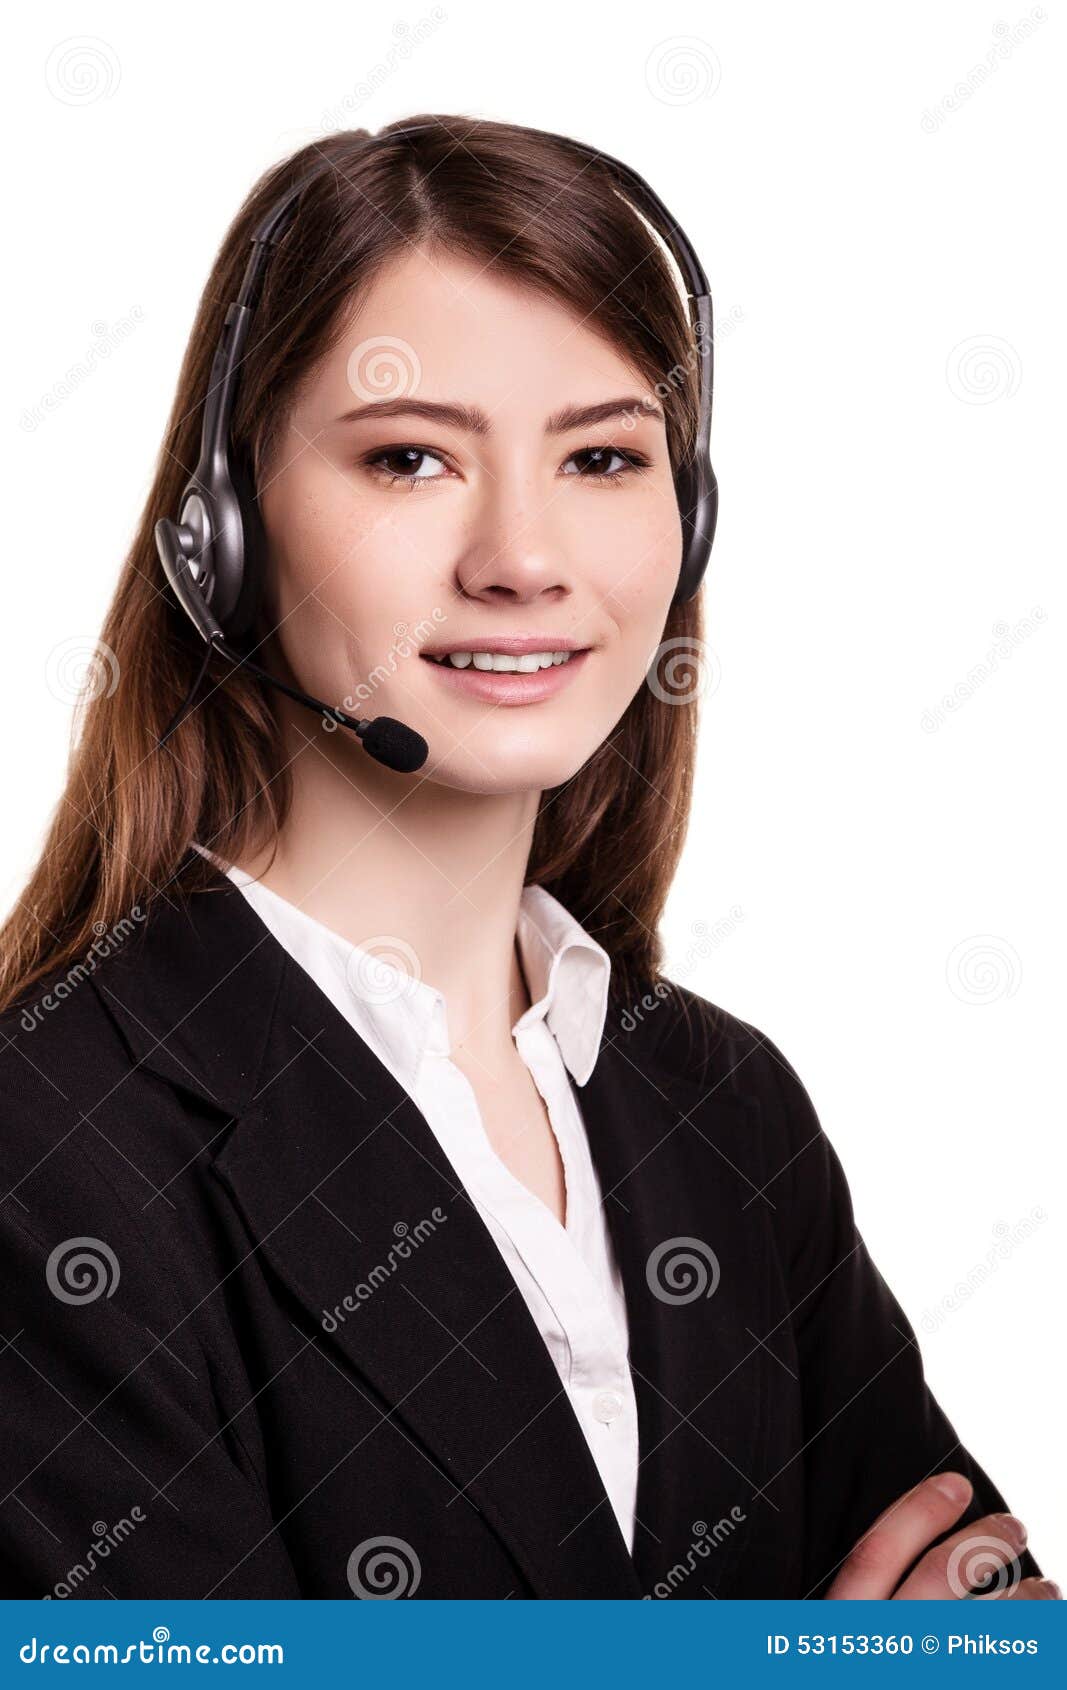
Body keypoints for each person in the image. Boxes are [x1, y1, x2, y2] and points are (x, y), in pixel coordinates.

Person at [0, 115, 1055, 1601]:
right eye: (412, 456)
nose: (522, 555)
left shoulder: (726, 1108)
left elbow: (986, 1616)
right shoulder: (47, 1140)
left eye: (605, 457)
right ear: (221, 536)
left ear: (683, 524)